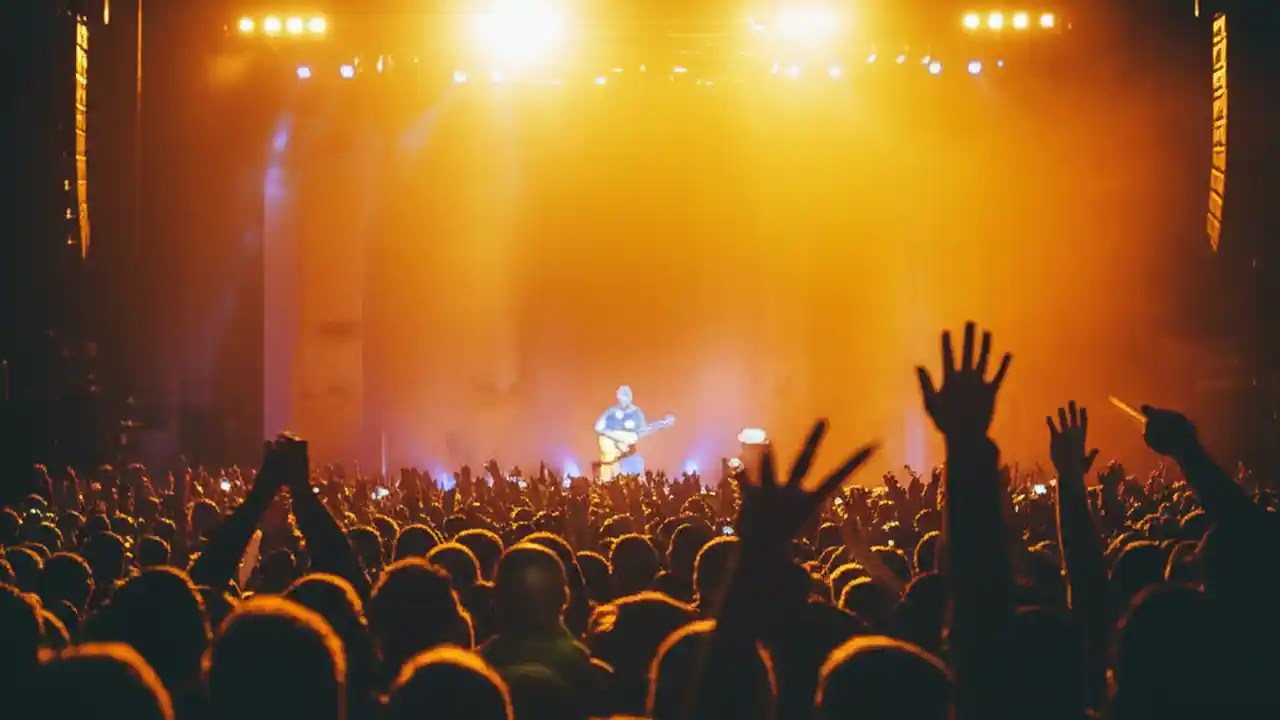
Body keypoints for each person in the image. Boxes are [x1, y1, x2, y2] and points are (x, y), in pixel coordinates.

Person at [594, 386, 670, 482]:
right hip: (612, 458)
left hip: (628, 454)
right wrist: (616, 439)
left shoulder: (636, 413)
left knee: (634, 467)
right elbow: (598, 427)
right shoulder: (611, 411)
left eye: (625, 398)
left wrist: (662, 423)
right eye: (621, 398)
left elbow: (644, 430)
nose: (623, 402)